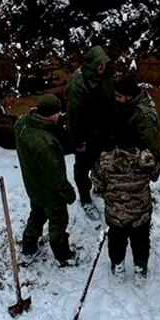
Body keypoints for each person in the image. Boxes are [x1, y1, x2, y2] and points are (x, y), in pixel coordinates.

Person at [14, 94, 77, 266]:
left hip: (33, 184)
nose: (60, 115)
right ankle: (63, 255)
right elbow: (54, 177)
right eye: (58, 112)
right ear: (49, 114)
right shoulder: (45, 144)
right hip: (50, 193)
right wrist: (69, 193)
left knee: (37, 213)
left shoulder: (22, 123)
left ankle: (29, 244)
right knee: (58, 221)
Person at [91, 124, 160, 278]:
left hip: (115, 214)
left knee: (116, 241)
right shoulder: (146, 158)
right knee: (141, 241)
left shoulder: (105, 160)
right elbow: (155, 175)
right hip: (140, 212)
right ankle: (140, 268)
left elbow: (98, 183)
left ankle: (118, 266)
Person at [64, 46, 116, 217]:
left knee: (103, 162)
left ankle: (100, 187)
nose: (103, 67)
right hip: (87, 134)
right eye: (100, 64)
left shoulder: (105, 74)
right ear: (93, 65)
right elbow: (74, 117)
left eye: (104, 63)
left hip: (105, 130)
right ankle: (85, 198)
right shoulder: (77, 84)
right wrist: (78, 142)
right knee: (82, 167)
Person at [113, 76, 160, 163]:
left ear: (129, 97)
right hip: (127, 154)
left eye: (119, 96)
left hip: (142, 161)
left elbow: (150, 146)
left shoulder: (144, 115)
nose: (116, 99)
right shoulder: (126, 106)